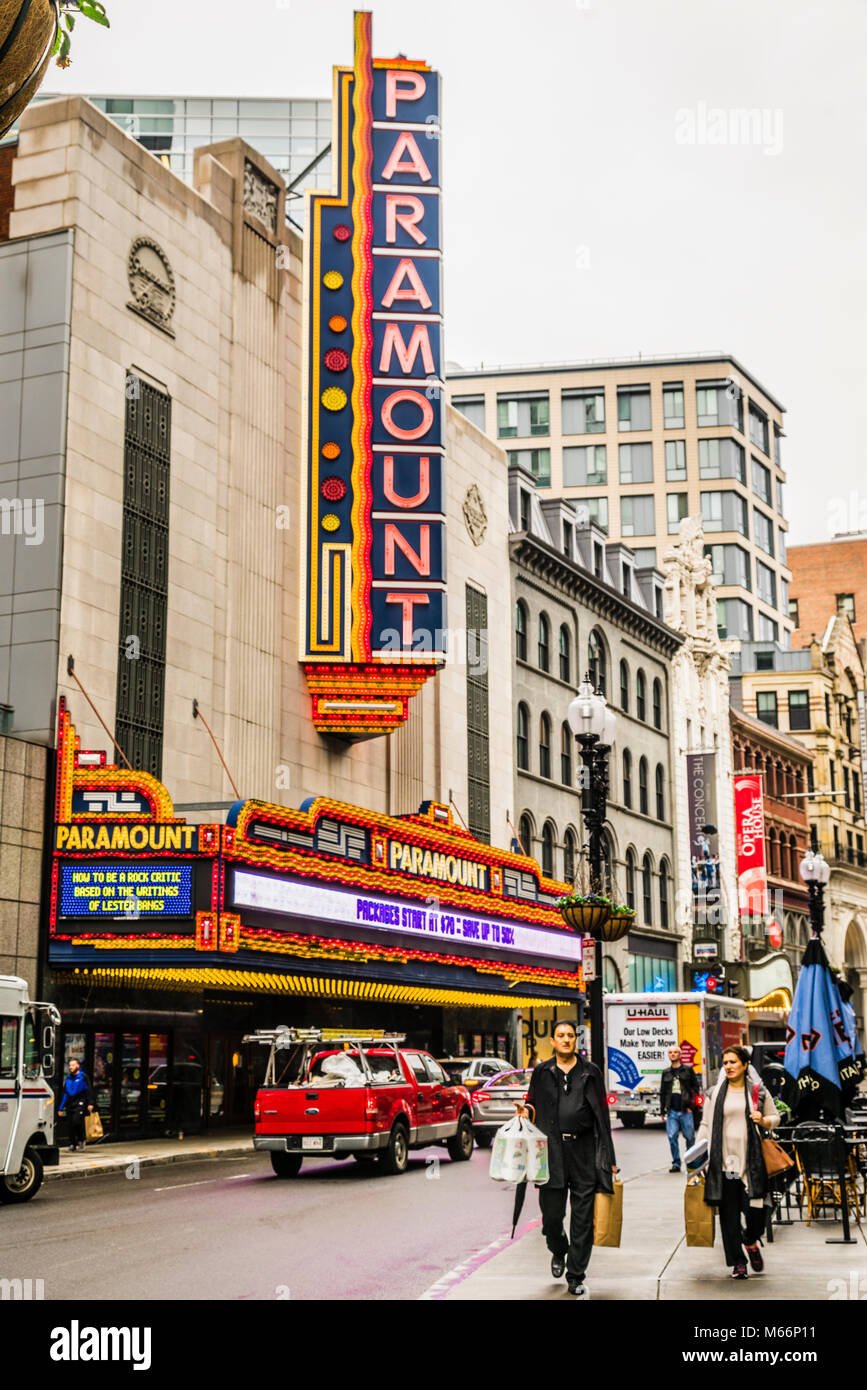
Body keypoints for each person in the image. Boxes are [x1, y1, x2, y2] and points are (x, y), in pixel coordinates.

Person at [516, 1019, 617, 1299]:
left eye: (570, 1035)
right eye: (560, 1035)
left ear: (576, 1040)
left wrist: (609, 1156)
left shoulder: (591, 1072)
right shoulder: (542, 1072)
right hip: (551, 1154)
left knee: (583, 1219)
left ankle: (576, 1275)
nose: (565, 1040)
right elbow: (532, 1104)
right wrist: (526, 1112)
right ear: (553, 1041)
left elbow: (602, 1117)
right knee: (552, 1218)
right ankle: (558, 1249)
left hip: (584, 1152)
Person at [697, 1044, 779, 1280]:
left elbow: (776, 1117)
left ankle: (751, 1241)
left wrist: (763, 1120)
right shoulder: (714, 1093)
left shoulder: (758, 1092)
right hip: (726, 1165)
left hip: (750, 1165)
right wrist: (697, 1158)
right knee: (729, 1216)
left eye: (733, 1062)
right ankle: (738, 1262)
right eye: (726, 1063)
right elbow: (705, 1125)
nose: (729, 1067)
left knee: (757, 1214)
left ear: (745, 1065)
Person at [659, 1045, 700, 1172]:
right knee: (672, 1136)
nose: (673, 1054)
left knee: (689, 1137)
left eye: (675, 1052)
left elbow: (695, 1088)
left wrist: (692, 1106)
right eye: (670, 1052)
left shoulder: (688, 1070)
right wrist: (662, 1111)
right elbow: (663, 1092)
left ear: (680, 1055)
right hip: (671, 1111)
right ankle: (676, 1163)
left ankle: (690, 1162)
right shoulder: (666, 1072)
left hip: (685, 1110)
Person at [57, 1057, 94, 1152]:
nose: (71, 1067)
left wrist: (90, 1103)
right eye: (69, 1065)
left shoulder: (83, 1077)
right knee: (70, 1124)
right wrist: (61, 1108)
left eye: (73, 1065)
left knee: (77, 1121)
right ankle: (72, 1144)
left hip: (80, 1102)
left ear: (78, 1066)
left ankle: (81, 1141)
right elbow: (65, 1093)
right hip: (70, 1103)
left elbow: (89, 1090)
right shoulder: (68, 1079)